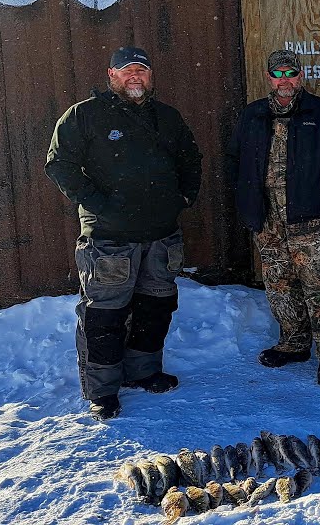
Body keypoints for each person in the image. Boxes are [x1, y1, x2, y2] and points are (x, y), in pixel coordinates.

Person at [45, 46, 202, 420]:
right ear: (111, 75)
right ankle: (102, 390)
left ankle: (144, 372)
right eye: (127, 70)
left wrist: (183, 196)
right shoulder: (86, 115)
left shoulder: (166, 116)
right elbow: (59, 164)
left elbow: (190, 159)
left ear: (150, 76)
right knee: (105, 316)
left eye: (142, 71)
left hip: (161, 234)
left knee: (156, 307)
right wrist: (98, 204)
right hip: (109, 237)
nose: (135, 76)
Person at [226, 50, 320, 385]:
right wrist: (246, 199)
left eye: (291, 73)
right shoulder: (253, 115)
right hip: (267, 219)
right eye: (277, 74)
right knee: (279, 285)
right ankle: (294, 343)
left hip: (311, 218)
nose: (285, 80)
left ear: (301, 76)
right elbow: (234, 159)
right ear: (269, 78)